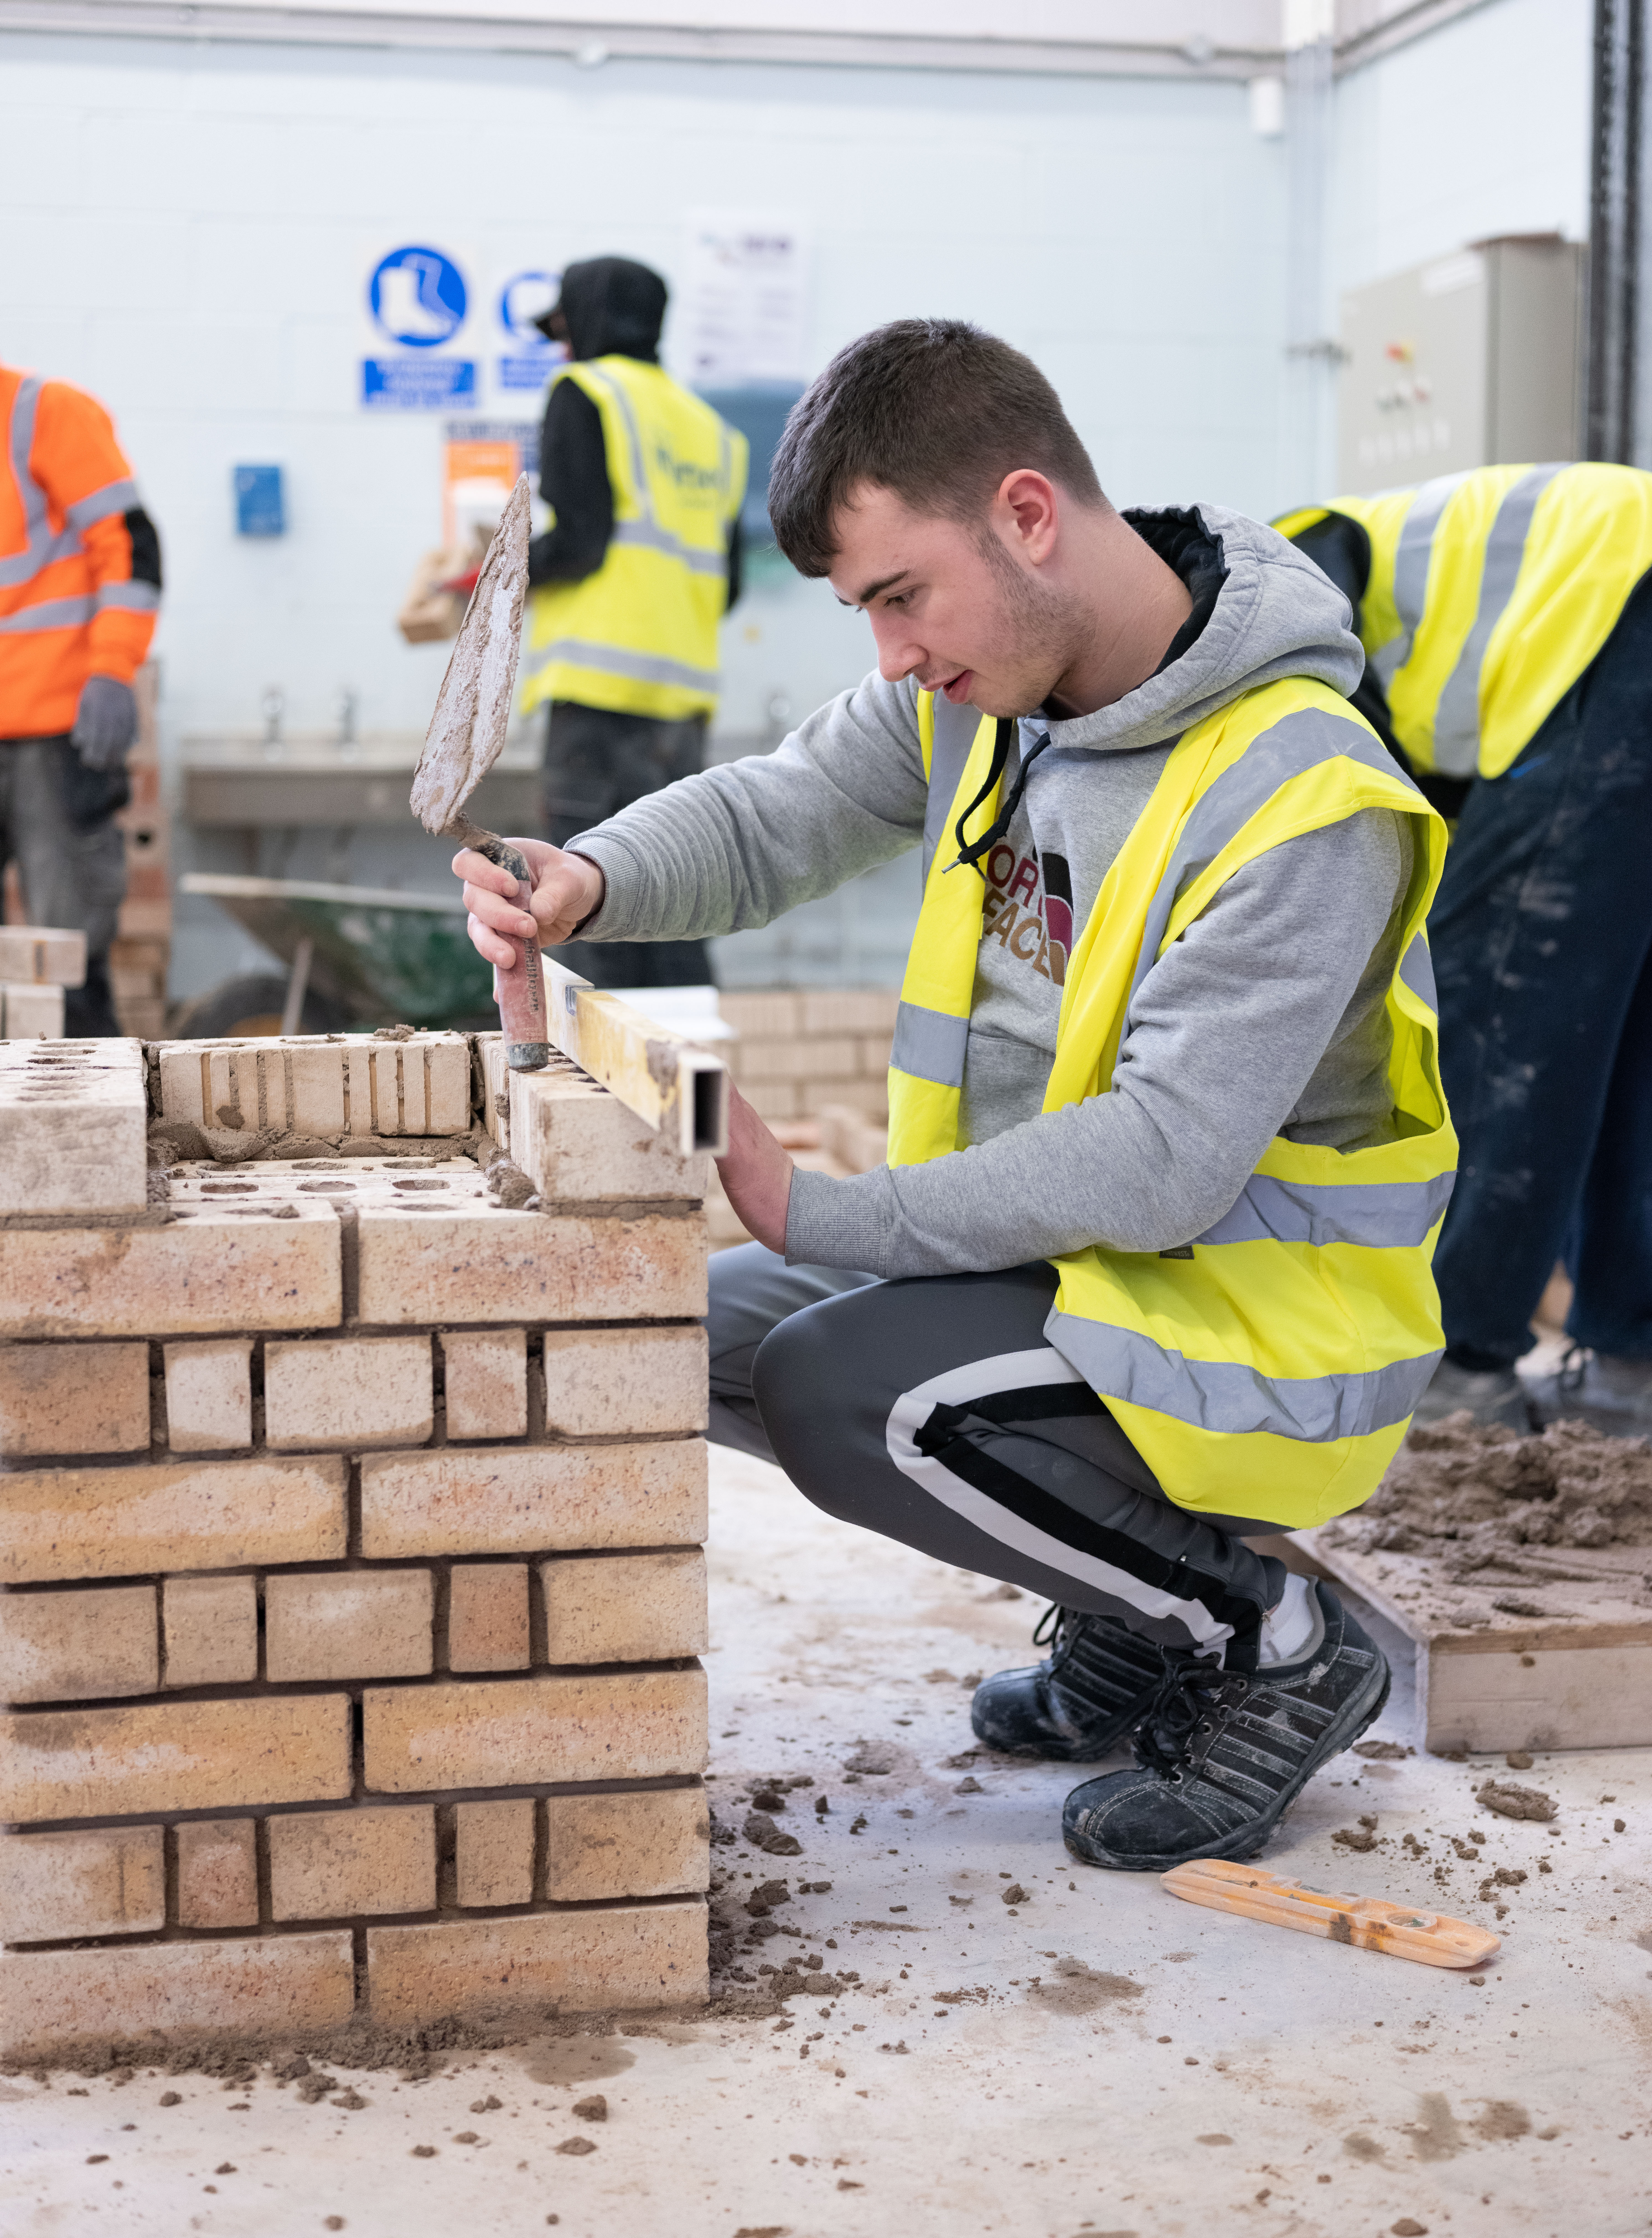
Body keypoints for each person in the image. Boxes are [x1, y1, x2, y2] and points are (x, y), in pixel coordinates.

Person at [457, 319, 1452, 1874]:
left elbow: (1164, 1162)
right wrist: (587, 876)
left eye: (899, 596)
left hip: (1259, 1331)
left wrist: (828, 1208)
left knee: (850, 1387)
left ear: (1029, 514)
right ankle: (1147, 1613)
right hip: (1075, 1281)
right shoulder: (985, 700)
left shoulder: (1303, 793)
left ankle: (1267, 1635)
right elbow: (785, 805)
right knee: (676, 1334)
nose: (895, 653)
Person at [1276, 466, 1652, 1444]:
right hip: (1640, 603)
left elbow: (1359, 826)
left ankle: (1452, 1356)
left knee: (1505, 1003)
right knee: (1619, 1011)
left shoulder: (1273, 594)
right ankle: (1630, 1351)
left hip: (1614, 614)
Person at [522, 256, 748, 989]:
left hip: (596, 701)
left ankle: (607, 1097)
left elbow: (580, 539)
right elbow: (729, 582)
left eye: (562, 329)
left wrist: (492, 578)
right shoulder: (710, 431)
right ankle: (690, 1089)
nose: (561, 348)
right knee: (677, 895)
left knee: (586, 903)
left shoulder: (584, 392)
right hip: (678, 712)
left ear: (583, 323)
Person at [0, 362, 161, 1036]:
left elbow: (128, 543)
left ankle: (95, 1128)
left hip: (54, 729)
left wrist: (112, 667)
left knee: (67, 959)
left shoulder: (40, 412)